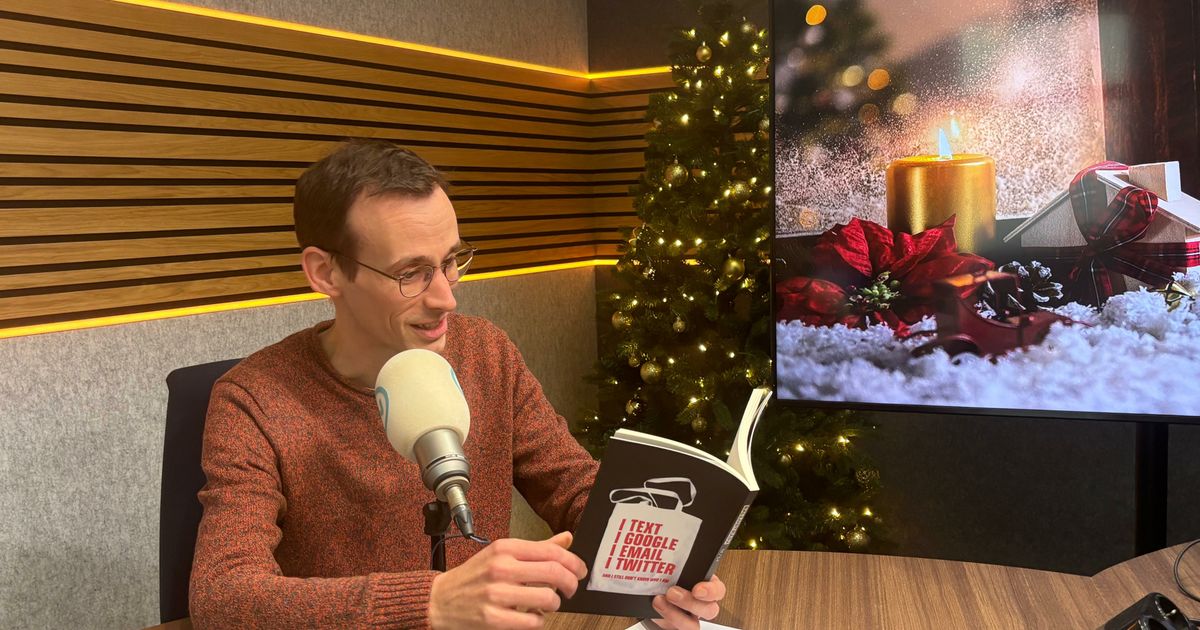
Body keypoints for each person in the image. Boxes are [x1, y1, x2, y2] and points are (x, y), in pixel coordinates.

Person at [188, 140, 726, 629]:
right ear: (326, 273)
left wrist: (667, 566)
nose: (446, 297)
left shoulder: (486, 352)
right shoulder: (253, 400)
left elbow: (575, 489)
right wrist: (431, 601)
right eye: (411, 273)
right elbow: (222, 596)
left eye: (451, 262)